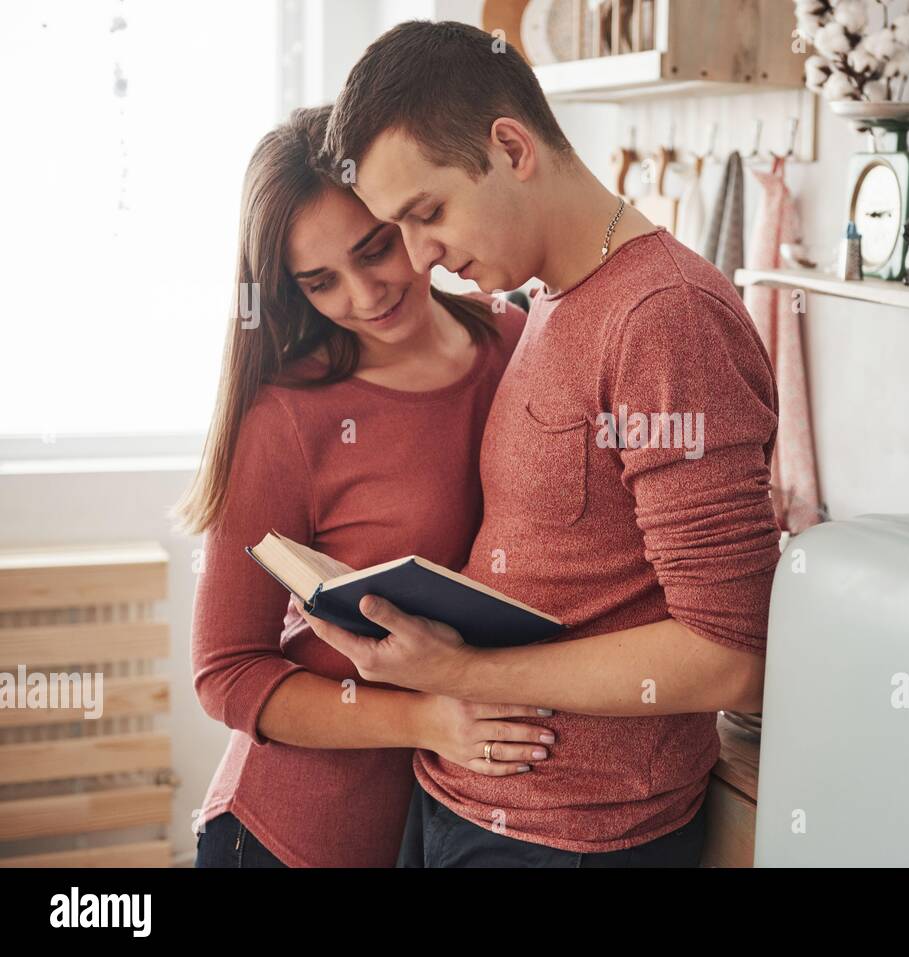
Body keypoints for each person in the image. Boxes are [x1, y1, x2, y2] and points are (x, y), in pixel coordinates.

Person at [296, 20, 783, 867]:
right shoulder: (552, 299)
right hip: (464, 803)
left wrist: (460, 674)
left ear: (512, 147)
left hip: (575, 839)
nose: (422, 258)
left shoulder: (663, 316)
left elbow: (733, 656)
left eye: (429, 213)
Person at [173, 104, 547, 867]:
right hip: (294, 835)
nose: (365, 294)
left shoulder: (514, 338)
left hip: (456, 825)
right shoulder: (285, 415)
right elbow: (226, 673)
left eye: (374, 249)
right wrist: (426, 720)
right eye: (320, 283)